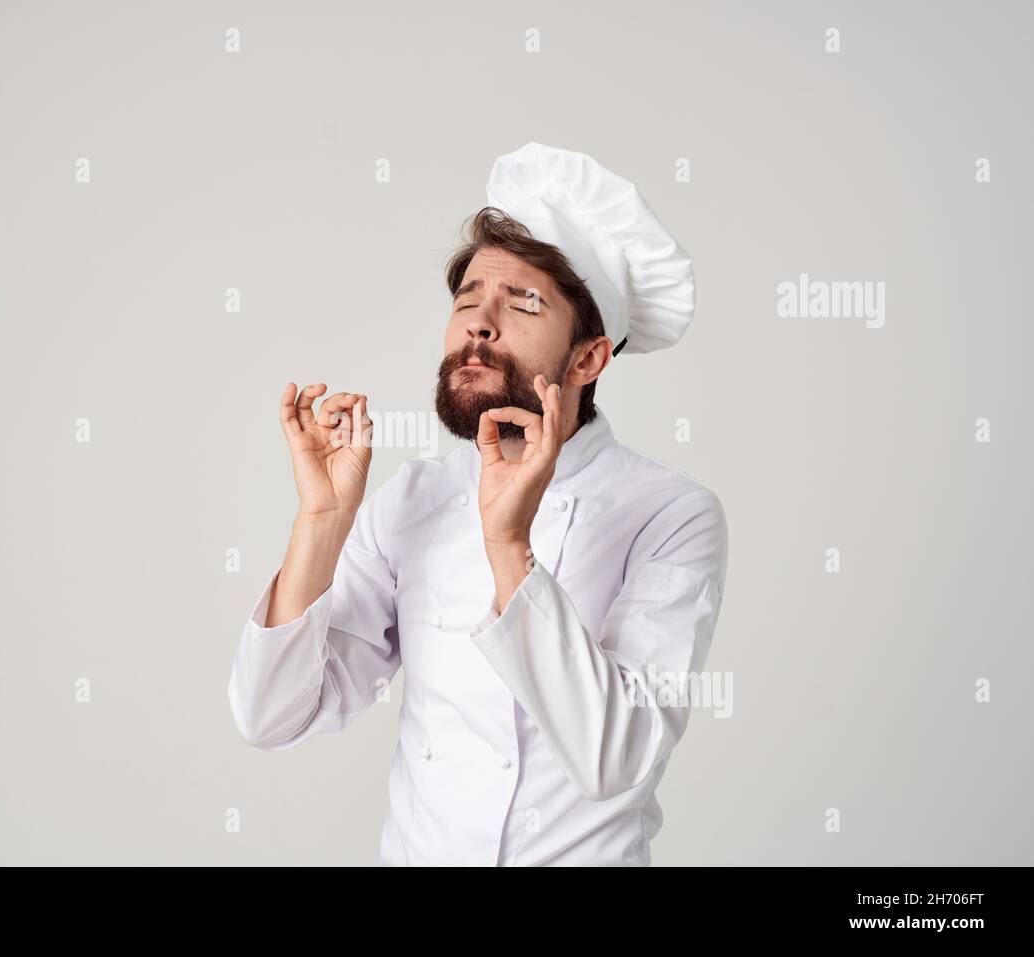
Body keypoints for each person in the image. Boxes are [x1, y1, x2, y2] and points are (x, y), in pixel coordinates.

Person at [227, 142, 728, 866]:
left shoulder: (671, 514)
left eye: (521, 303)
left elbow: (613, 757)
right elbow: (269, 716)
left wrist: (508, 544)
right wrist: (323, 525)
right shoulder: (415, 498)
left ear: (588, 358)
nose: (478, 325)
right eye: (467, 301)